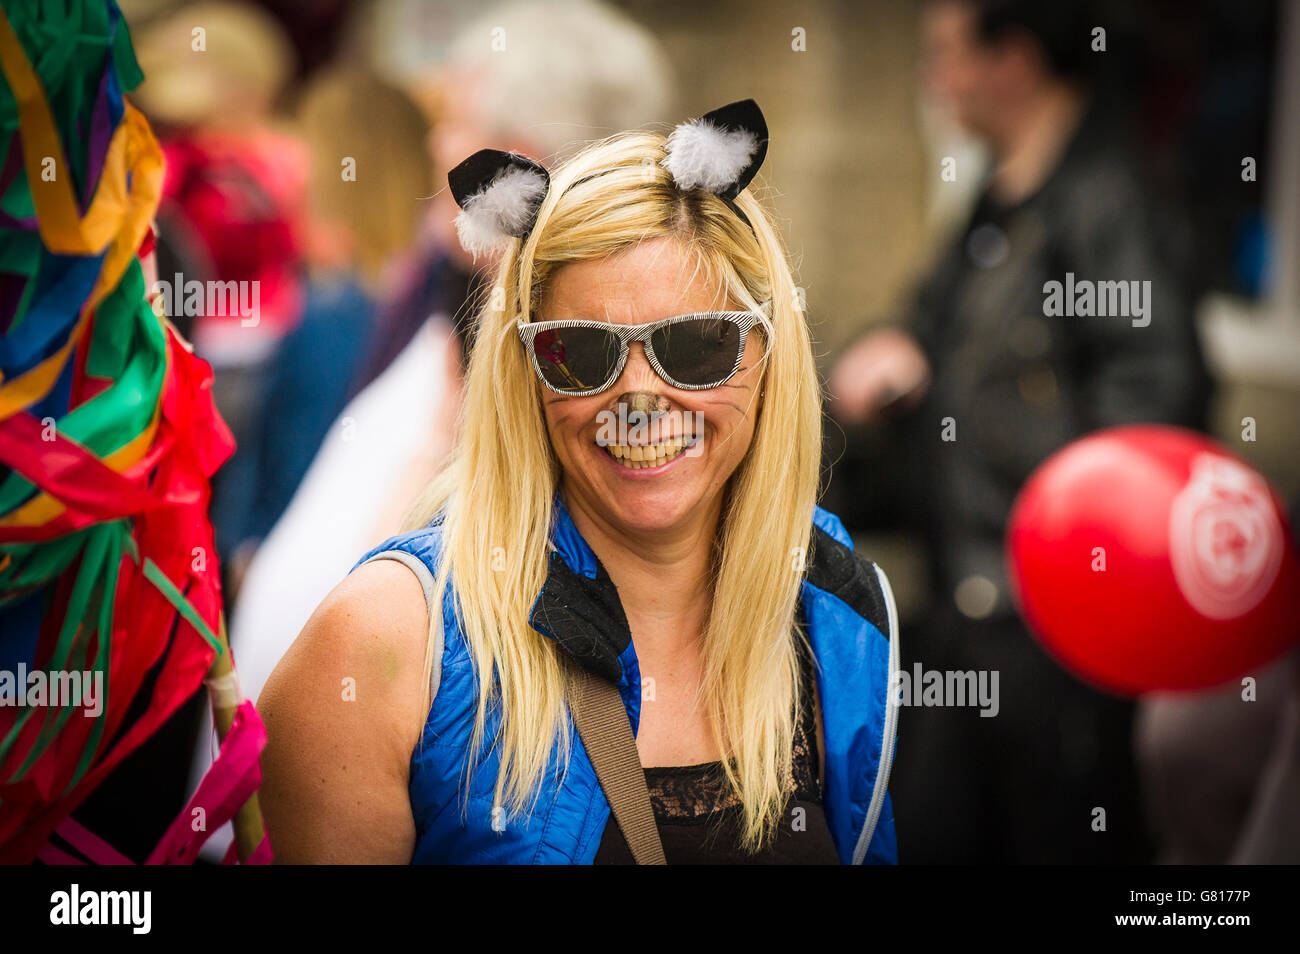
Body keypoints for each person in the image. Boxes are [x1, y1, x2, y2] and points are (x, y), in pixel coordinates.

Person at [257, 100, 900, 865]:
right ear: (525, 373)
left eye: (694, 346)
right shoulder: (387, 641)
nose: (637, 397)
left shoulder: (836, 604)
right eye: (580, 353)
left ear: (769, 356)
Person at [829, 0, 1211, 863]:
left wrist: (1059, 540)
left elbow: (1156, 417)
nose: (934, 78)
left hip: (1056, 632)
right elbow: (920, 332)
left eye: (948, 53)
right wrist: (885, 357)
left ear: (1017, 56)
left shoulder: (1113, 204)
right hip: (969, 601)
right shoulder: (996, 200)